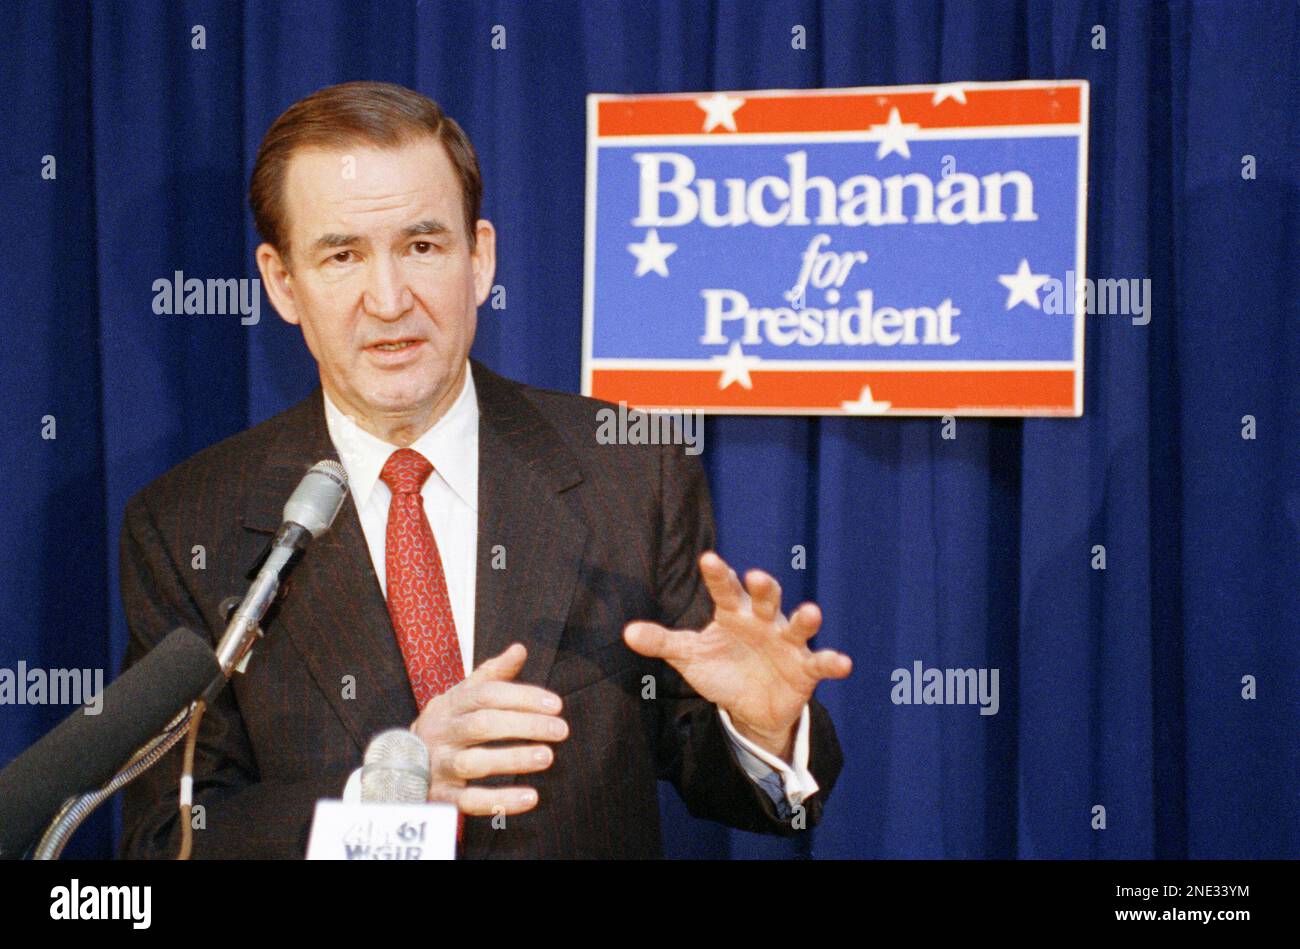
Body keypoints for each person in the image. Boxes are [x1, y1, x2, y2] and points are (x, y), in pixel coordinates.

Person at [118, 81, 849, 859]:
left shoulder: (628, 468)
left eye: (422, 246)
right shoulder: (185, 525)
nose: (390, 299)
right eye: (342, 255)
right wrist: (384, 797)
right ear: (282, 282)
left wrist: (761, 725)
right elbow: (171, 838)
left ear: (480, 258)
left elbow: (708, 758)